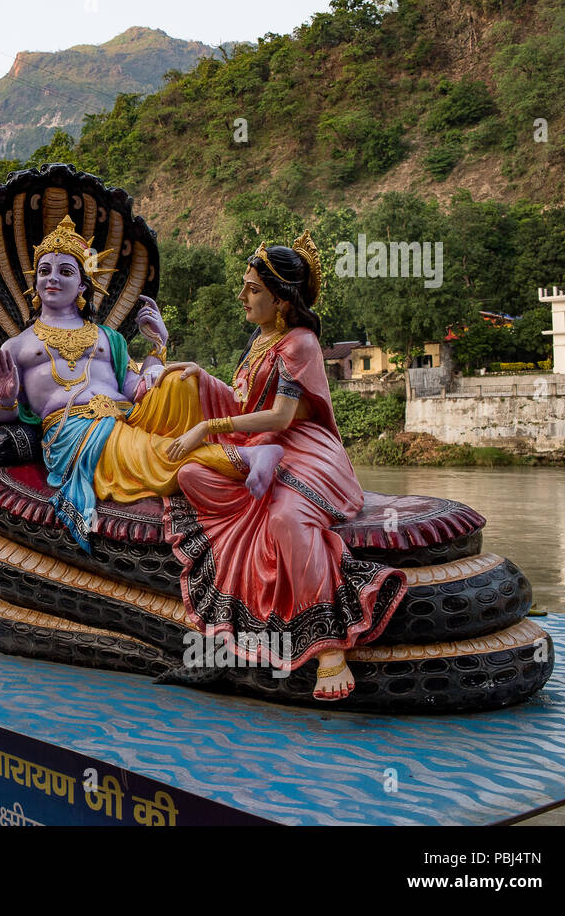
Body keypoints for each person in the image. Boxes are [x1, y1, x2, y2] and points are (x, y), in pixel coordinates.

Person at [155, 233, 408, 700]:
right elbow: (244, 401)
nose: (242, 295)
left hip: (305, 449)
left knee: (285, 517)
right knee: (191, 476)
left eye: (252, 288)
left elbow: (282, 416)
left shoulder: (300, 342)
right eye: (246, 285)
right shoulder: (261, 339)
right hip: (261, 446)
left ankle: (329, 647)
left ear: (282, 298)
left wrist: (206, 427)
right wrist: (201, 376)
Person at [0, 215, 284, 554]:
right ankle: (248, 455)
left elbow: (137, 388)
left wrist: (158, 348)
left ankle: (248, 430)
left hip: (127, 413)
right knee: (147, 449)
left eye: (65, 272)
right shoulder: (17, 347)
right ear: (34, 282)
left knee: (182, 380)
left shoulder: (107, 338)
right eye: (44, 271)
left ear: (82, 286)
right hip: (76, 431)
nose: (52, 278)